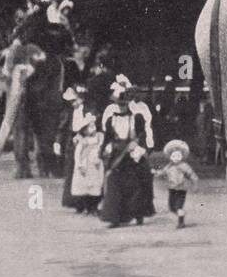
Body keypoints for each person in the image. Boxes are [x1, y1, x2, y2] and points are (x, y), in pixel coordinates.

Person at [99, 76, 156, 227]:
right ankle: (114, 217)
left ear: (128, 103)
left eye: (124, 104)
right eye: (119, 104)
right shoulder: (111, 119)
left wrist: (139, 149)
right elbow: (107, 138)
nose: (122, 107)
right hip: (118, 154)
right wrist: (104, 150)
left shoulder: (137, 118)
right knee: (114, 184)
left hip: (133, 154)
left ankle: (138, 215)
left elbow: (142, 135)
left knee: (136, 185)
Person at [156, 139, 199, 229]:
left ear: (182, 157)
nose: (176, 157)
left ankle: (181, 222)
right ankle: (181, 214)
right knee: (172, 207)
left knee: (179, 206)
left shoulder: (184, 166)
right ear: (170, 157)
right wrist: (156, 173)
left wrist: (195, 184)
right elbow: (163, 172)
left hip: (181, 189)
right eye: (174, 156)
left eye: (178, 155)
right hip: (172, 189)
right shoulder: (169, 166)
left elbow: (192, 175)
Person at [60, 85, 90, 208]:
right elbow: (63, 127)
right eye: (71, 102)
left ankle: (87, 202)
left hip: (86, 143)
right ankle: (74, 201)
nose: (73, 104)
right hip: (72, 143)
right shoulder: (70, 112)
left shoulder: (88, 111)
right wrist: (58, 142)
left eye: (74, 100)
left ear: (81, 99)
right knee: (72, 171)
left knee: (86, 171)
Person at [70, 115, 105, 214]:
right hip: (86, 164)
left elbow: (101, 147)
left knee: (96, 184)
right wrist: (79, 165)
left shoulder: (99, 137)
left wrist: (100, 156)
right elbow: (77, 154)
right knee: (85, 185)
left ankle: (94, 206)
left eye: (93, 125)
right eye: (89, 127)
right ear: (84, 130)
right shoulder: (82, 140)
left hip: (96, 164)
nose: (92, 128)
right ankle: (86, 206)